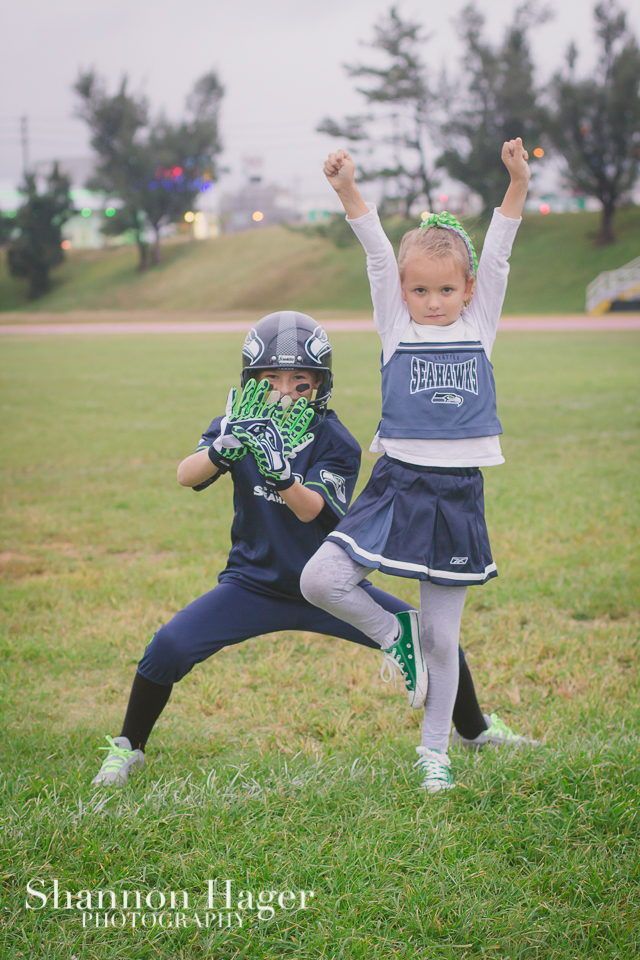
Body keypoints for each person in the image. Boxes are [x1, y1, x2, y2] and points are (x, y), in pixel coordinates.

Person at [91, 313, 529, 786]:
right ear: (251, 380)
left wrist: (280, 473)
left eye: (301, 382)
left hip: (326, 589)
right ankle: (128, 746)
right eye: (272, 379)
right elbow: (186, 474)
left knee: (437, 642)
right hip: (253, 582)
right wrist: (226, 446)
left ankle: (475, 730)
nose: (286, 391)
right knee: (168, 647)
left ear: (321, 383)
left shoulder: (334, 438)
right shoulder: (239, 421)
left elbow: (309, 509)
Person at [301, 140, 535, 793]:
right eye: (420, 289)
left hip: (457, 493)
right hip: (397, 484)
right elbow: (378, 252)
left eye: (446, 289)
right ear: (403, 292)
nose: (433, 300)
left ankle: (436, 753)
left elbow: (500, 251)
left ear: (467, 291)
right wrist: (348, 188)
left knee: (444, 637)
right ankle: (392, 633)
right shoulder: (396, 327)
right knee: (322, 580)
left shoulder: (479, 323)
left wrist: (516, 184)